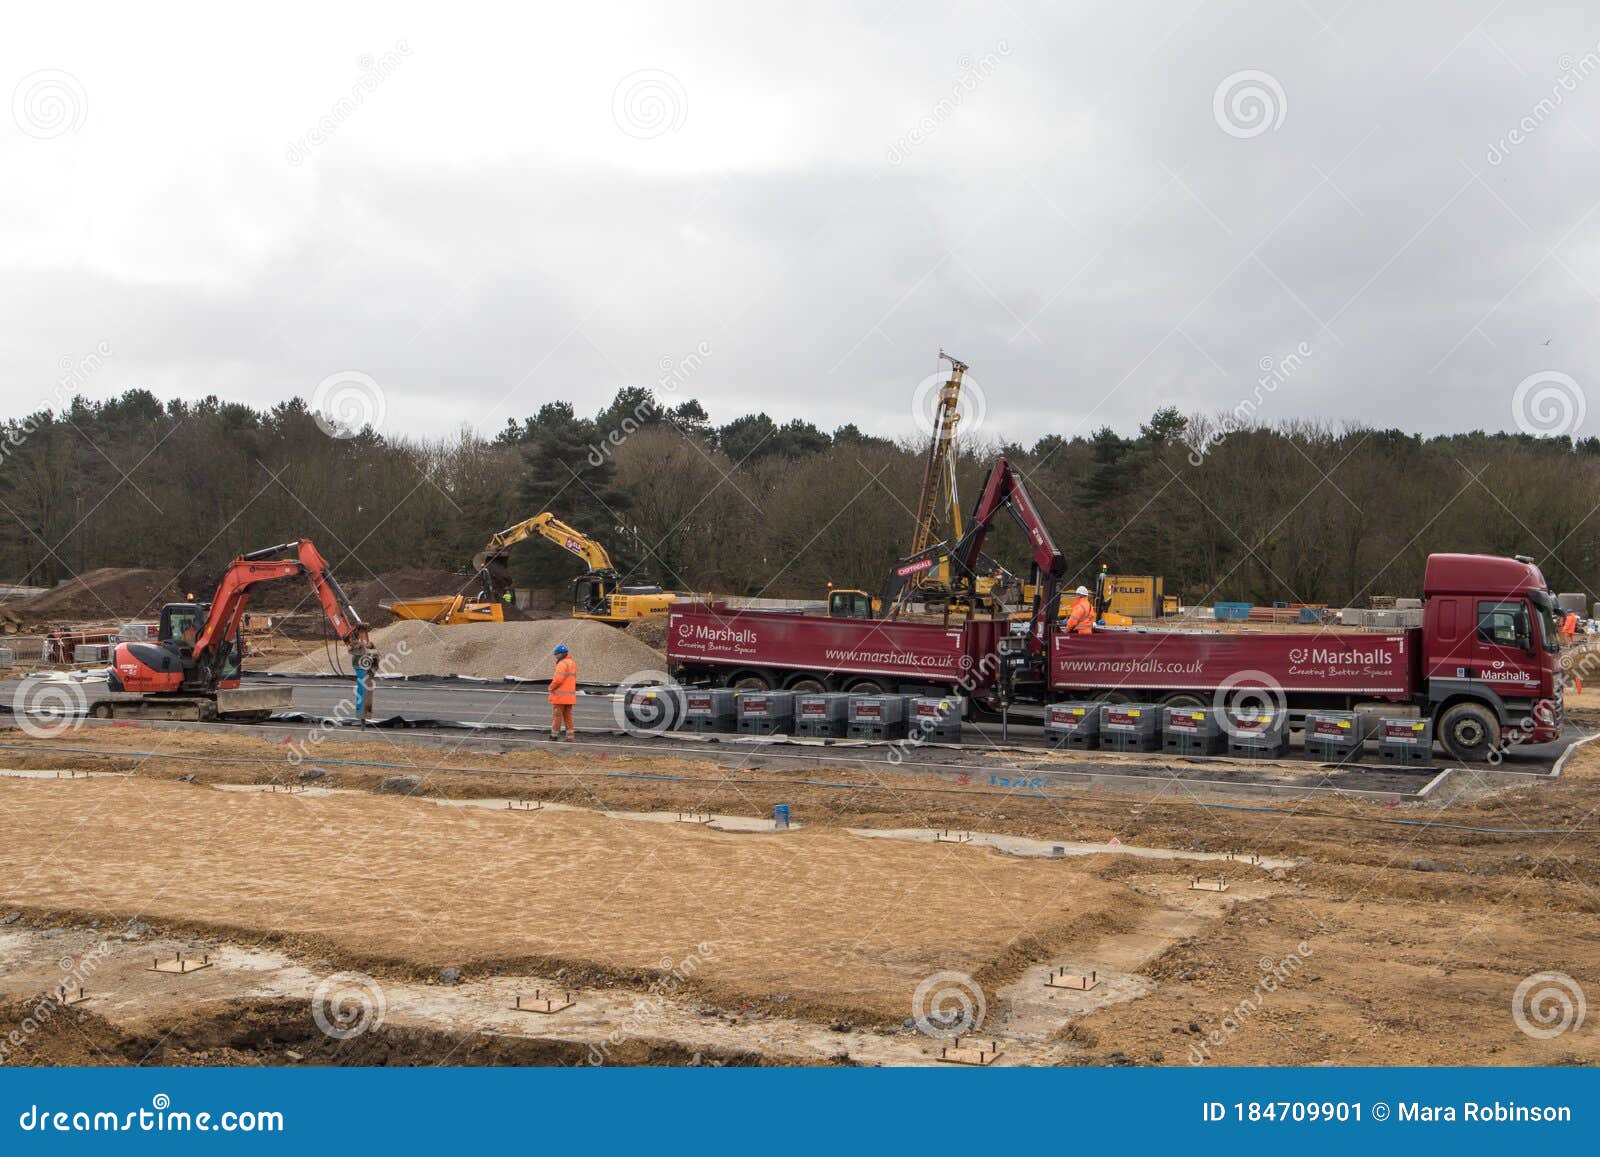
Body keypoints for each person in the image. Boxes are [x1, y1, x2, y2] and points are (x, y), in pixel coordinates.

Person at [548, 643, 577, 741]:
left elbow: (558, 680)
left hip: (560, 697)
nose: (555, 657)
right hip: (570, 697)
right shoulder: (572, 663)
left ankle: (554, 735)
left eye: (556, 654)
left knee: (557, 716)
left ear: (560, 654)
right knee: (568, 716)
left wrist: (551, 687)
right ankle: (570, 737)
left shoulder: (562, 664)